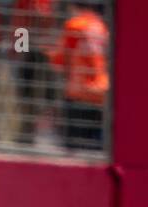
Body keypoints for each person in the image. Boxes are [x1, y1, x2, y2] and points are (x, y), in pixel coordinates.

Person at [50, 1, 109, 151]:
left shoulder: (75, 25)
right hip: (101, 94)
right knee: (96, 148)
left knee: (74, 149)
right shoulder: (101, 26)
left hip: (79, 93)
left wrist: (48, 53)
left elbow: (59, 60)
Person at [11, 0, 61, 145]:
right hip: (30, 48)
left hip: (46, 49)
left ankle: (43, 130)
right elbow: (21, 23)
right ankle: (26, 131)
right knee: (26, 91)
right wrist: (20, 49)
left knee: (48, 92)